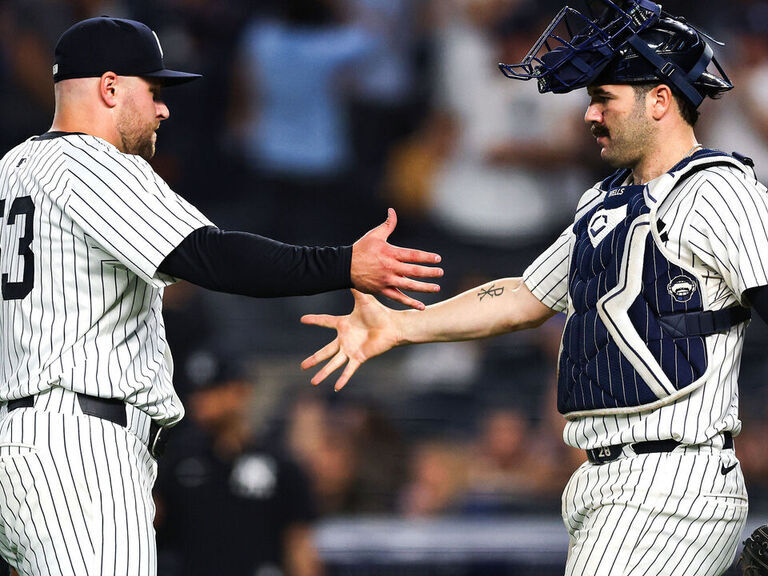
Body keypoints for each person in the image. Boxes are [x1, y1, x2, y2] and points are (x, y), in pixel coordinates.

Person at [301, 1, 768, 574]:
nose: (590, 114)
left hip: (672, 480)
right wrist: (402, 325)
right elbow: (526, 296)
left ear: (660, 101)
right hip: (605, 480)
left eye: (604, 98)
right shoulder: (604, 201)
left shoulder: (720, 191)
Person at [0, 16, 443, 576]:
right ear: (109, 88)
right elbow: (211, 256)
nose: (164, 109)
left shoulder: (13, 168)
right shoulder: (92, 163)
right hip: (78, 448)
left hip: (22, 440)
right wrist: (343, 264)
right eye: (153, 91)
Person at [155, 351, 322, 576]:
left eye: (213, 390)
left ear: (241, 390)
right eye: (197, 392)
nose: (200, 400)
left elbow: (298, 545)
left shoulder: (280, 464)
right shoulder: (176, 459)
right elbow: (149, 525)